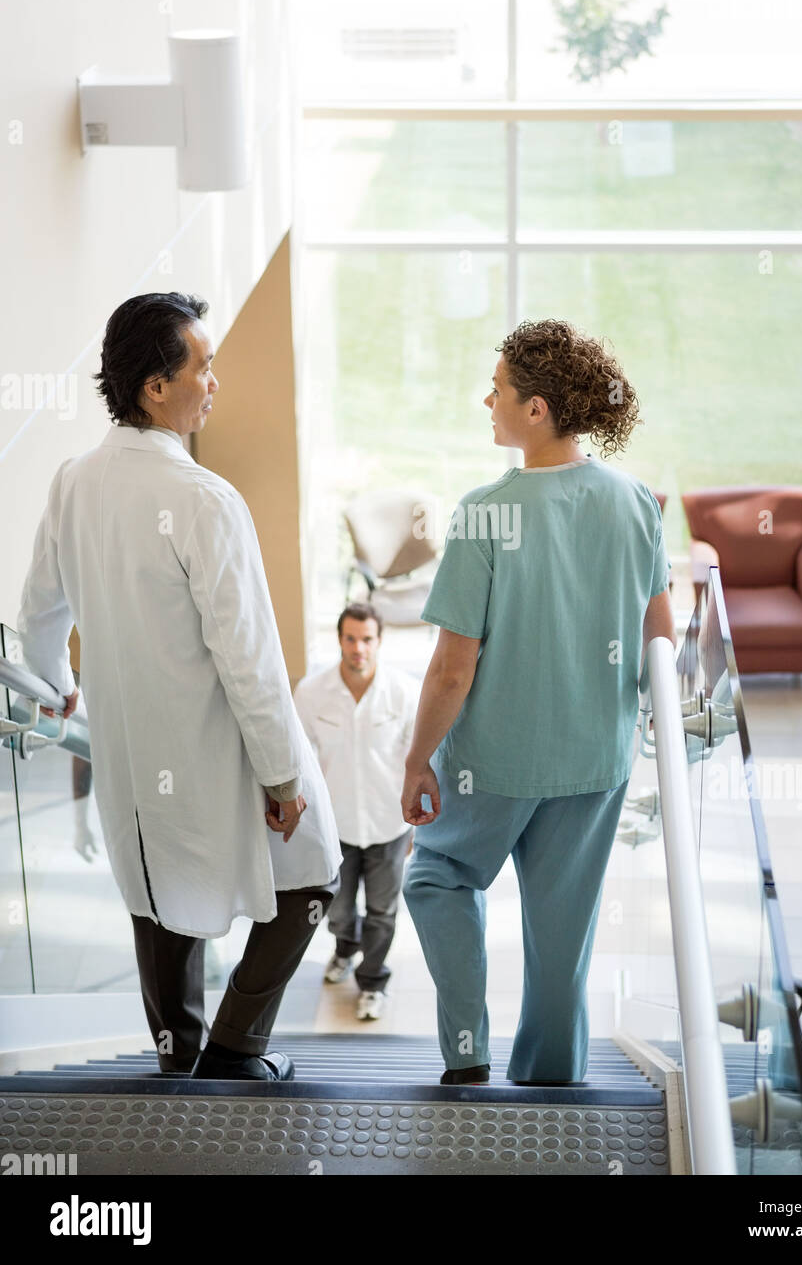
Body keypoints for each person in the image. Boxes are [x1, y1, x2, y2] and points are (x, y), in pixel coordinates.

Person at [17, 292, 342, 1082]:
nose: (214, 383)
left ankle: (179, 1061)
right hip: (213, 745)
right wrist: (281, 774)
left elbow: (37, 617)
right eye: (204, 367)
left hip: (130, 749)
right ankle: (234, 1049)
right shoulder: (204, 500)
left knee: (158, 894)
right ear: (155, 387)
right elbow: (251, 660)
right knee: (314, 873)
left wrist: (58, 685)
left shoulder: (73, 482)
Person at [399, 318, 676, 1087]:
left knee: (436, 877)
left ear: (537, 411)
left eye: (498, 389)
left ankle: (466, 1055)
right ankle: (553, 1082)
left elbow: (453, 669)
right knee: (562, 941)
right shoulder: (634, 503)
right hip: (593, 761)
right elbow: (659, 639)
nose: (484, 397)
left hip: (491, 764)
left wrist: (418, 759)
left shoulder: (484, 511)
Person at [294, 603, 419, 1021]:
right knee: (340, 909)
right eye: (351, 638)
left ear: (379, 641)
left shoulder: (404, 693)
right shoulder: (311, 694)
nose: (359, 648)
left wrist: (416, 824)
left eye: (367, 639)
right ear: (339, 640)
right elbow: (300, 760)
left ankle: (372, 981)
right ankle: (345, 950)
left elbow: (418, 760)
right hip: (336, 828)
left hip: (390, 825)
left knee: (383, 911)